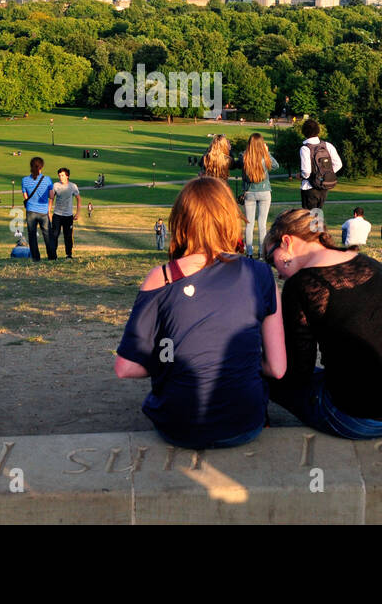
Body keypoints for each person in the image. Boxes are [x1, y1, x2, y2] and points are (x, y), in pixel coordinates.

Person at [114, 177, 285, 449]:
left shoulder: (163, 278)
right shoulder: (261, 274)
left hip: (178, 426)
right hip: (245, 423)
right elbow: (277, 368)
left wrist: (178, 359)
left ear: (180, 221)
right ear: (229, 217)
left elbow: (125, 367)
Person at [263, 209, 382, 440]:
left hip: (359, 419)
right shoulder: (366, 262)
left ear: (287, 242)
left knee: (266, 373)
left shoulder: (301, 284)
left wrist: (262, 364)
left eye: (271, 260)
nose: (278, 274)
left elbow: (297, 372)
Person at [240, 133, 276, 257]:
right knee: (262, 224)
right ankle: (261, 252)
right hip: (264, 191)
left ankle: (249, 252)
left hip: (249, 192)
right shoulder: (265, 157)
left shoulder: (244, 157)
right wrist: (267, 152)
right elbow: (275, 166)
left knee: (249, 224)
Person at [298, 118, 342, 212]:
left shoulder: (305, 148)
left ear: (304, 132)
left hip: (309, 187)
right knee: (317, 217)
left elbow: (306, 172)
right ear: (318, 130)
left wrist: (300, 175)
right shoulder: (327, 145)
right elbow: (338, 164)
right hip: (324, 186)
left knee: (308, 218)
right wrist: (325, 174)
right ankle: (319, 227)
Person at [21, 157, 56, 261]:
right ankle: (52, 257)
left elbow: (25, 196)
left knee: (32, 236)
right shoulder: (47, 180)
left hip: (31, 210)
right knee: (47, 235)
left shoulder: (25, 180)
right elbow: (51, 195)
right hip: (43, 211)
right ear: (42, 166)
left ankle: (36, 258)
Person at [48, 167, 80, 259]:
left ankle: (68, 255)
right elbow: (51, 199)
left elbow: (78, 199)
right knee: (54, 235)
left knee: (68, 236)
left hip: (68, 216)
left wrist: (78, 213)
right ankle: (53, 255)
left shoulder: (73, 186)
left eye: (62, 175)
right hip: (57, 215)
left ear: (67, 176)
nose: (60, 177)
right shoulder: (55, 185)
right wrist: (49, 212)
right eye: (59, 175)